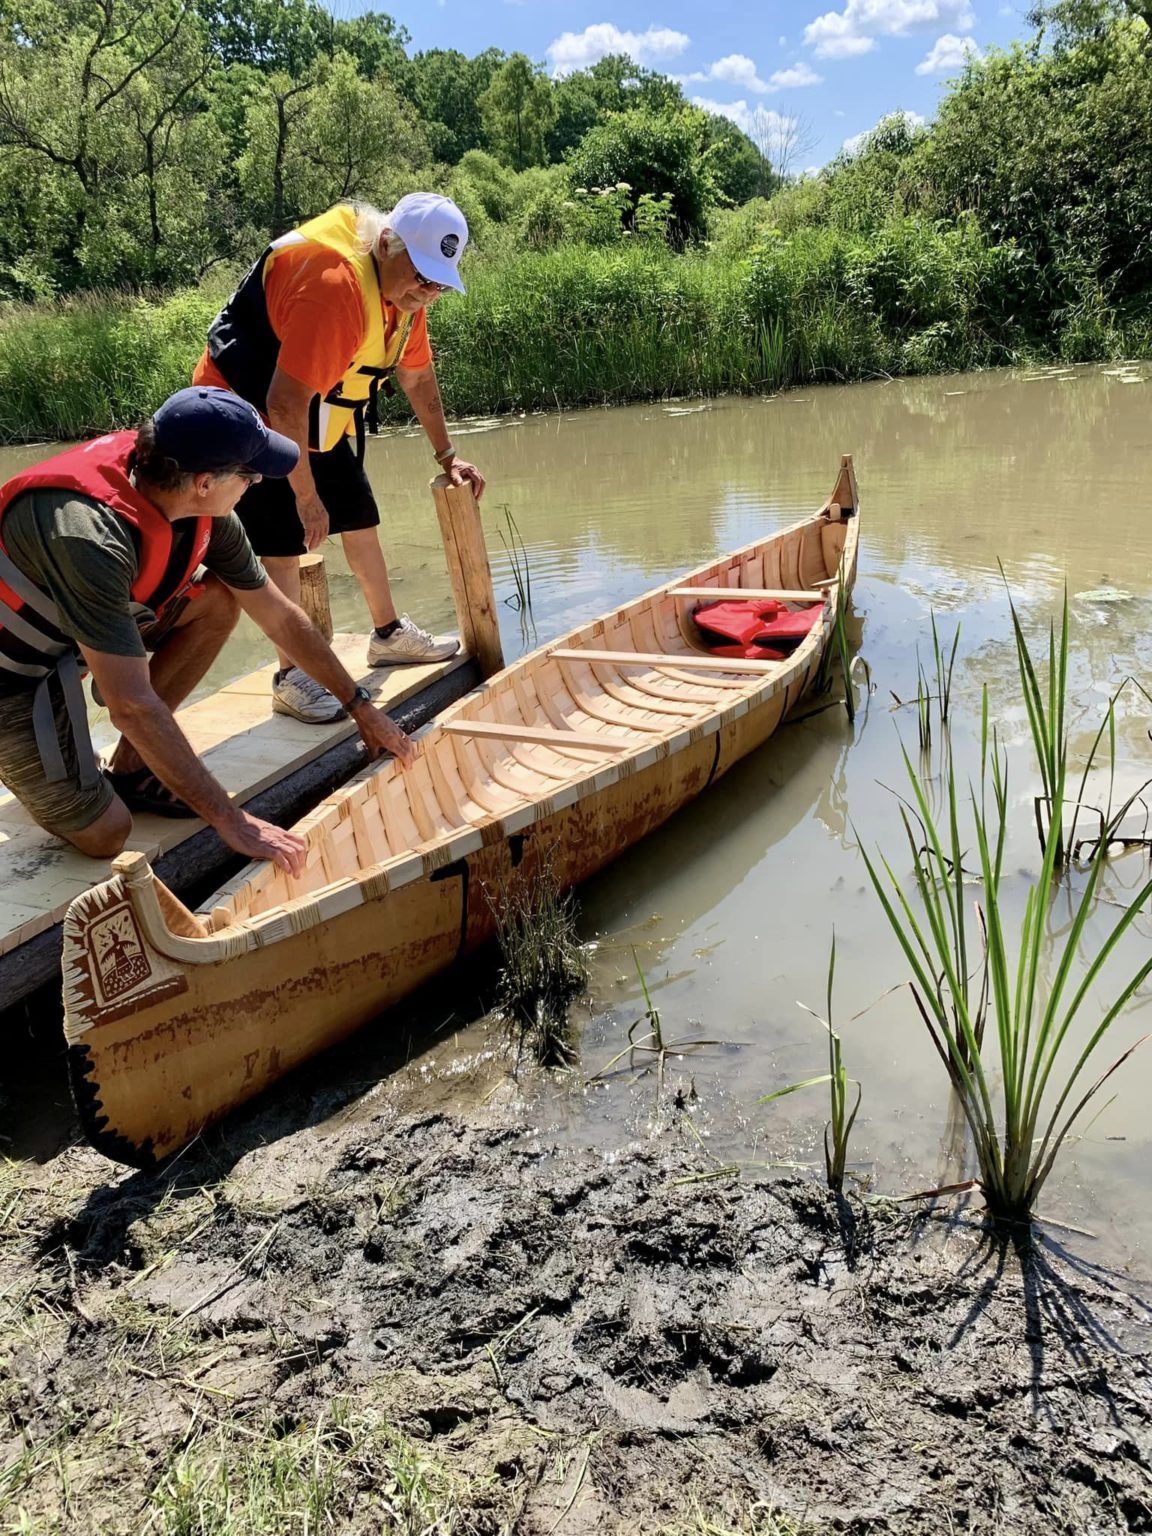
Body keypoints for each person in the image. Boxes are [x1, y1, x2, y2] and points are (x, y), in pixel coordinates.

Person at [0, 386, 415, 875]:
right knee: (105, 833)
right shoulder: (88, 537)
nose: (257, 483)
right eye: (249, 473)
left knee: (218, 599)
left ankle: (133, 771)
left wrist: (359, 706)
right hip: (18, 675)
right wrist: (230, 818)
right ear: (202, 482)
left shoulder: (203, 511)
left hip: (71, 638)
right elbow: (131, 705)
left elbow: (278, 614)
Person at [193, 192, 486, 726]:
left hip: (314, 404)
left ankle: (387, 634)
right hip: (250, 413)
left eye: (440, 282)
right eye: (421, 274)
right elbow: (282, 406)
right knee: (284, 543)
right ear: (386, 244)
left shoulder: (403, 301)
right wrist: (306, 497)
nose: (428, 291)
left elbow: (417, 376)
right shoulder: (335, 288)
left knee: (359, 516)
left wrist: (448, 456)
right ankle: (290, 677)